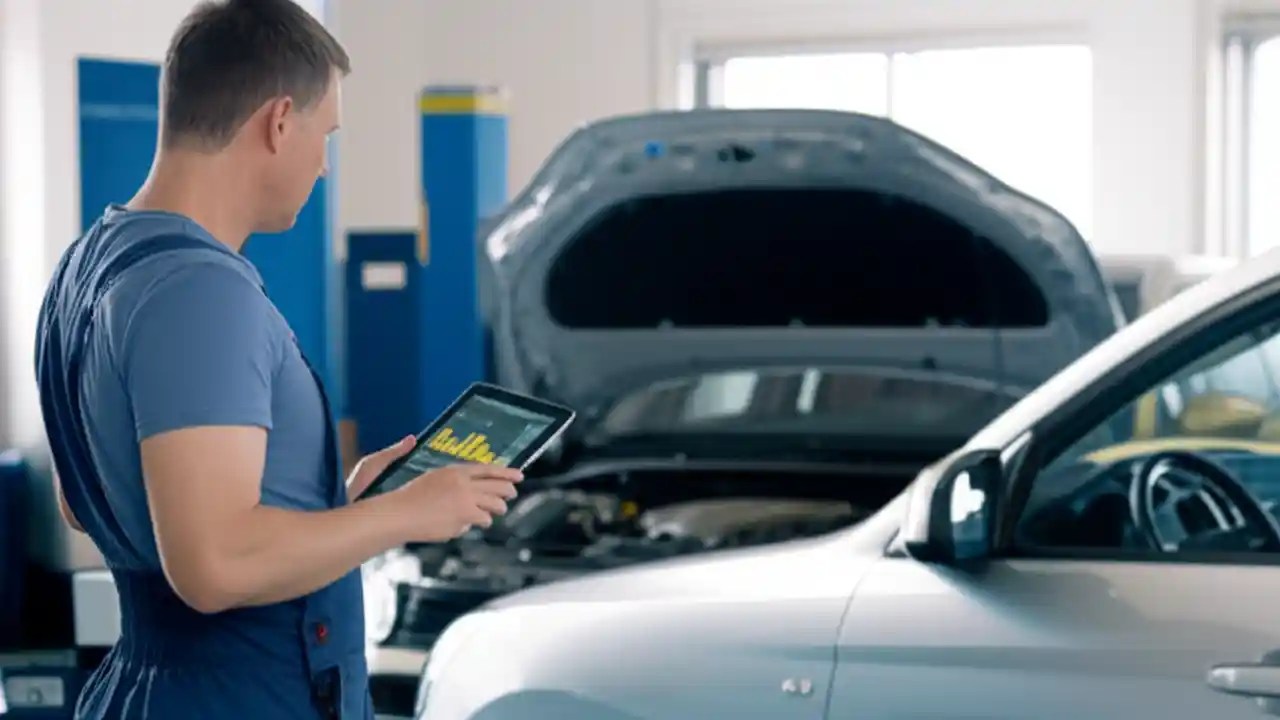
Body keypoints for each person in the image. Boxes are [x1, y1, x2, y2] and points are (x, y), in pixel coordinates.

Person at [33, 1, 522, 718]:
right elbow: (215, 564)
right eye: (325, 135)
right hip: (234, 699)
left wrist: (338, 502)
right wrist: (410, 514)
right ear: (279, 120)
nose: (324, 165)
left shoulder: (86, 269)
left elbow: (91, 504)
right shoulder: (197, 293)